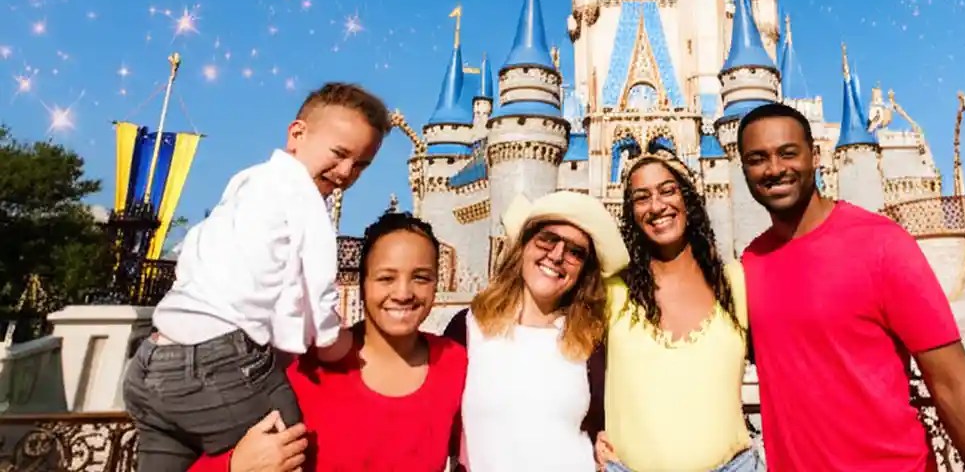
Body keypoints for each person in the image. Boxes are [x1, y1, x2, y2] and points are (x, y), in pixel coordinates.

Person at [123, 82, 391, 471]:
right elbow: (317, 295)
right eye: (340, 153)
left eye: (362, 164)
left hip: (151, 363)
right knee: (291, 452)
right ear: (297, 133)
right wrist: (340, 345)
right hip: (217, 365)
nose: (347, 172)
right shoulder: (303, 198)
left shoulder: (247, 182)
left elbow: (199, 254)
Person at [735, 102, 965, 472]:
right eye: (757, 158)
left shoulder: (881, 244)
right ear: (742, 168)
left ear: (815, 156)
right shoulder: (750, 264)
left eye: (788, 153)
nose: (774, 169)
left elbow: (953, 382)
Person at [189, 211, 467, 472]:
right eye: (386, 278)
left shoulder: (455, 364)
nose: (403, 293)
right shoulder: (305, 368)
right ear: (362, 284)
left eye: (421, 277)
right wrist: (235, 466)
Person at [595, 151, 759, 472]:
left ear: (688, 200)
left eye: (667, 191)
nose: (657, 206)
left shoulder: (736, 283)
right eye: (642, 198)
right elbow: (566, 365)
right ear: (630, 213)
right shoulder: (612, 291)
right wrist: (587, 434)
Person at [444, 191, 628, 472]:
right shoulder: (468, 328)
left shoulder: (589, 341)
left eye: (575, 252)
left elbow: (604, 426)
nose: (557, 256)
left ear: (584, 271)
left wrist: (603, 445)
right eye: (547, 239)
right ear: (523, 247)